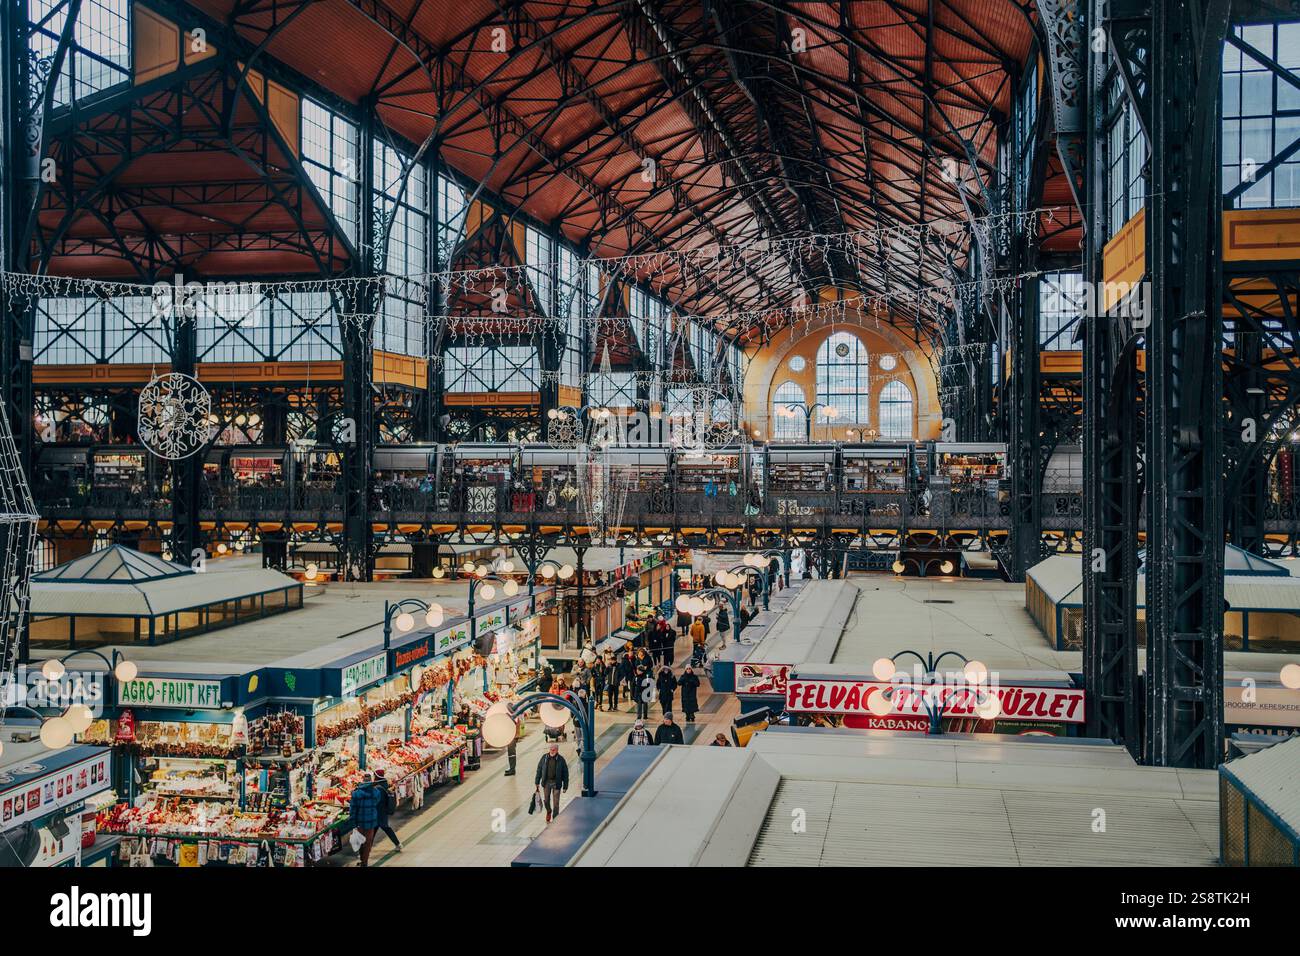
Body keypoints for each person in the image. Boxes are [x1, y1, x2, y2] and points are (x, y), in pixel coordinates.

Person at [348, 773, 383, 866]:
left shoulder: (356, 794)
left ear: (363, 780)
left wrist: (352, 823)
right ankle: (365, 862)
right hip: (371, 821)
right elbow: (377, 802)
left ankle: (361, 857)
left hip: (360, 822)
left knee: (360, 841)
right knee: (368, 843)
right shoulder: (376, 792)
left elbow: (353, 810)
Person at [534, 742, 569, 823]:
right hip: (546, 783)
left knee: (556, 803)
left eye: (554, 750)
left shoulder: (561, 760)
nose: (552, 751)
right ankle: (549, 811)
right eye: (551, 749)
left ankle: (555, 818)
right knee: (546, 800)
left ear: (557, 750)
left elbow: (565, 773)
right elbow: (539, 769)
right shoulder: (544, 758)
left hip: (556, 783)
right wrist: (537, 781)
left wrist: (565, 786)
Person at [372, 769, 402, 852]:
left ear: (377, 776)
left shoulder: (378, 788)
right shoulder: (383, 784)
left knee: (383, 828)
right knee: (376, 829)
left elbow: (378, 800)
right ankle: (398, 844)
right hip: (382, 811)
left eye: (374, 776)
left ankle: (398, 844)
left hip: (380, 812)